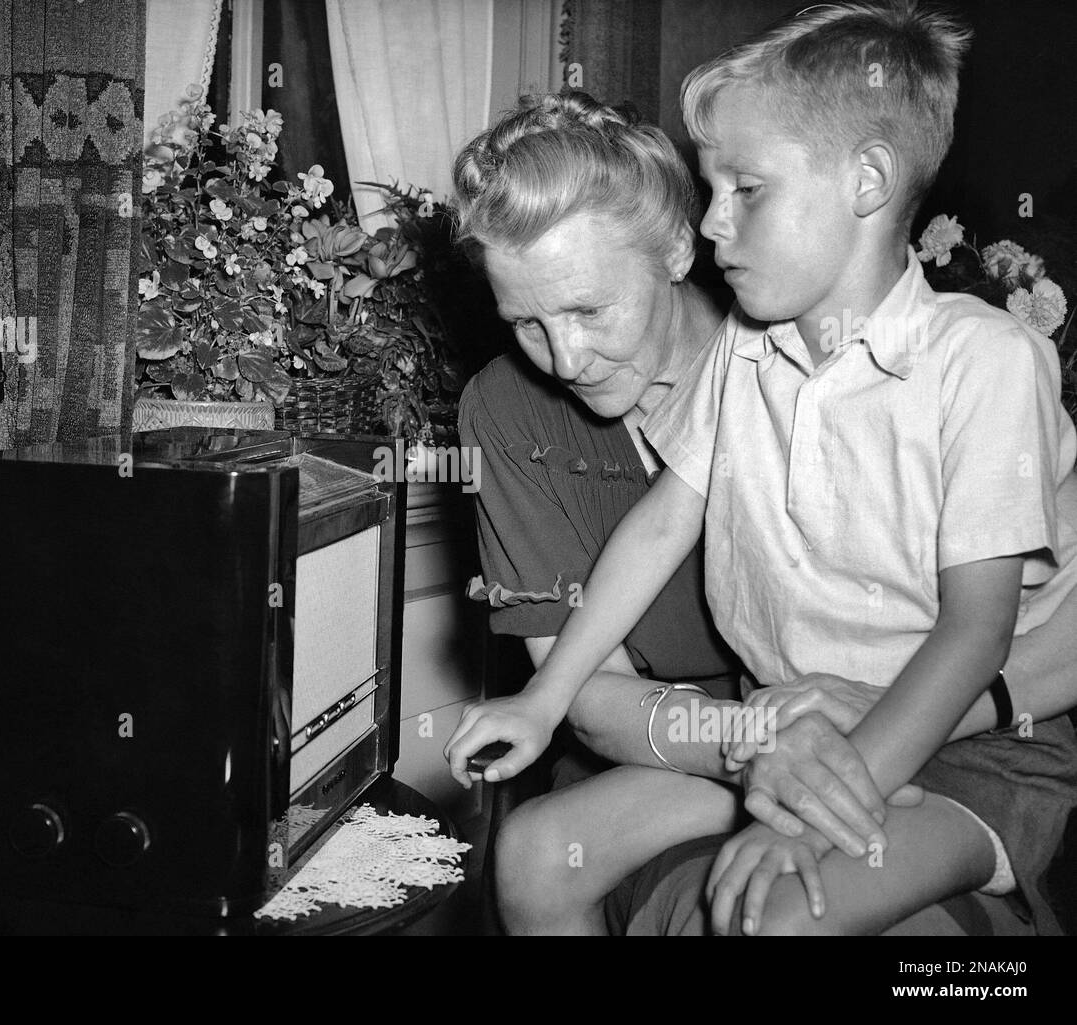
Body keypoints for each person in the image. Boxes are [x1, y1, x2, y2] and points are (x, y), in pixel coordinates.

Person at [447, 3, 1077, 936]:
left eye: (746, 189)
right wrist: (544, 700)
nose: (712, 224)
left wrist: (803, 813)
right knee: (535, 849)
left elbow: (977, 634)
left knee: (777, 917)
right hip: (781, 718)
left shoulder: (985, 361)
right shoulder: (751, 348)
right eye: (712, 189)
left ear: (868, 180)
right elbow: (663, 523)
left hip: (958, 748)